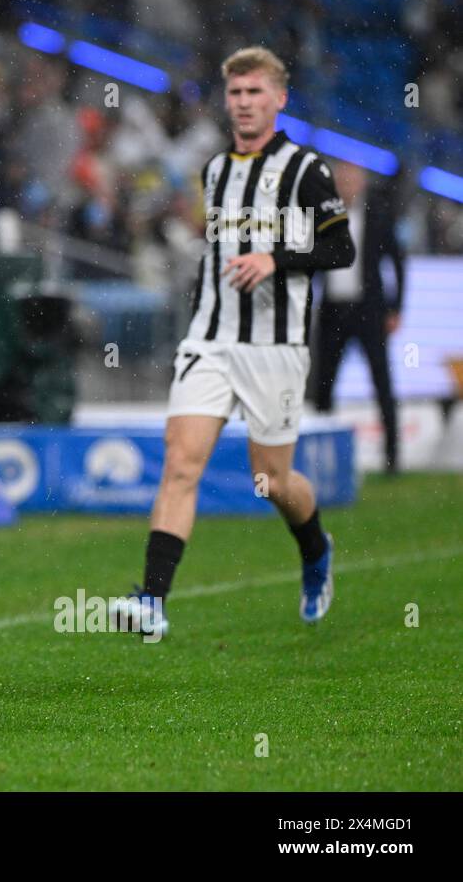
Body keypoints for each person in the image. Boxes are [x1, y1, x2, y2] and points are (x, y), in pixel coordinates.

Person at [110, 46, 355, 637]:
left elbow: (340, 250)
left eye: (255, 92)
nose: (244, 103)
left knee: (271, 480)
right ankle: (153, 601)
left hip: (276, 348)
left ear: (279, 98)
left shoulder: (305, 170)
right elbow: (218, 253)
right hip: (211, 340)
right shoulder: (217, 170)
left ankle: (315, 546)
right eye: (236, 93)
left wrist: (277, 259)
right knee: (180, 461)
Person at [312, 162, 404, 473]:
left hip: (369, 312)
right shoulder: (324, 216)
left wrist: (396, 308)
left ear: (362, 182)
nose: (347, 185)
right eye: (342, 179)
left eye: (352, 179)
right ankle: (322, 456)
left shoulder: (378, 214)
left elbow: (397, 261)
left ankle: (392, 456)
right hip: (333, 311)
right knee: (324, 384)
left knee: (382, 383)